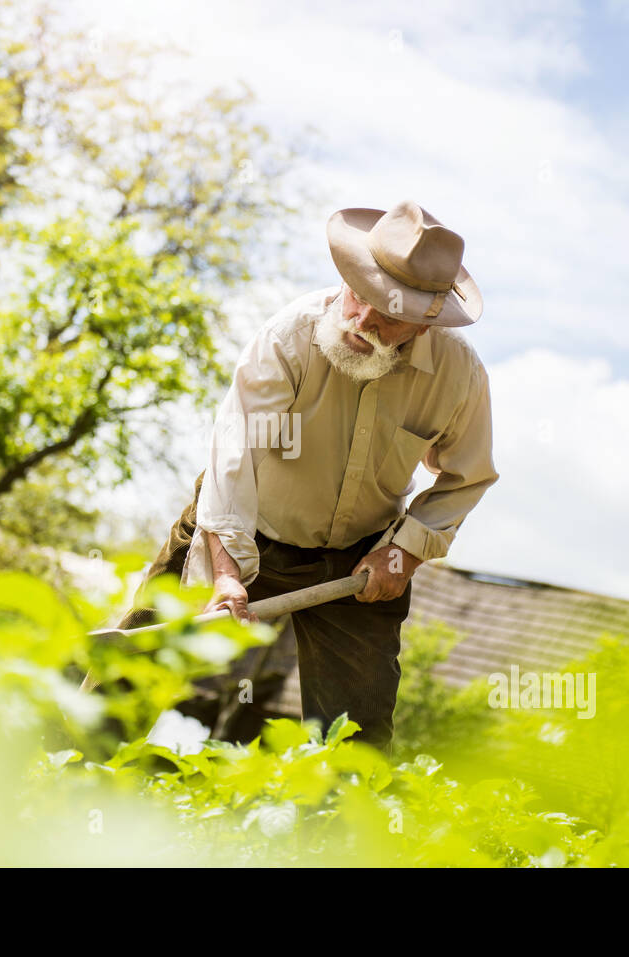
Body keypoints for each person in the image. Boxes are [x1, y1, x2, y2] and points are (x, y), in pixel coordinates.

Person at [120, 200, 500, 750]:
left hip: (355, 562)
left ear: (426, 321)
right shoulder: (289, 337)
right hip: (238, 524)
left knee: (357, 741)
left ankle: (333, 835)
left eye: (388, 315)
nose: (362, 321)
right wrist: (224, 569)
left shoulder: (460, 377)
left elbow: (466, 479)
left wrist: (403, 554)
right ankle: (60, 786)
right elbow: (236, 450)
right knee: (131, 670)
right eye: (358, 296)